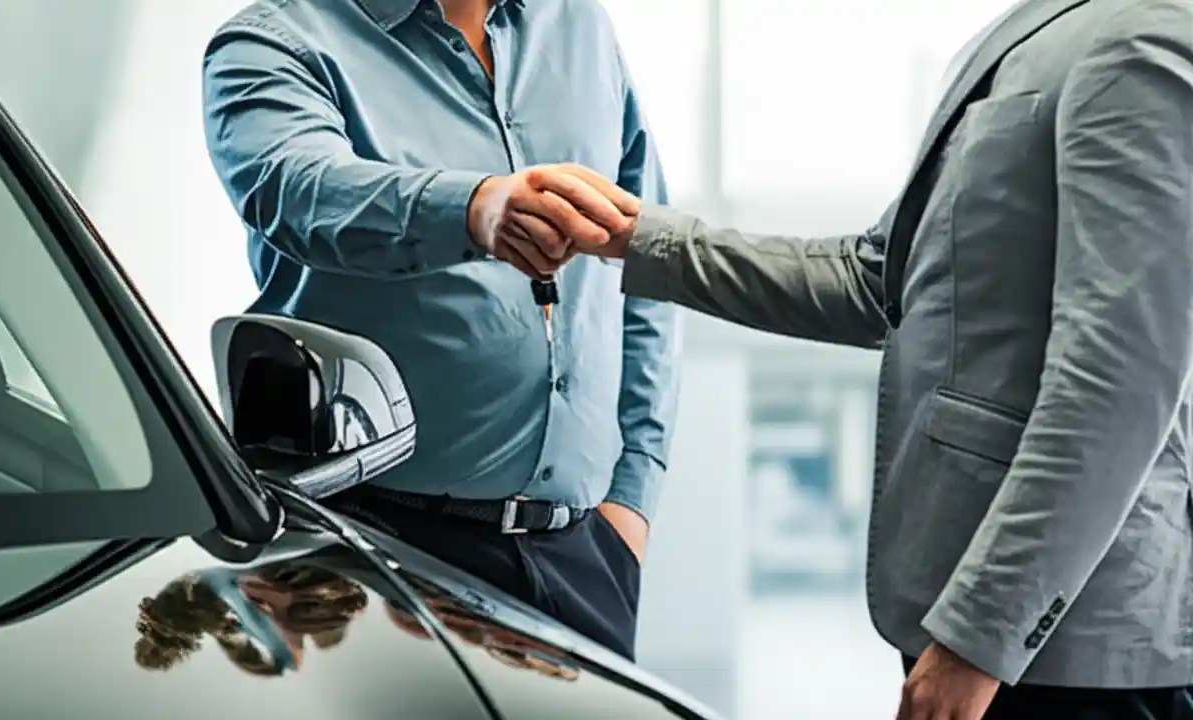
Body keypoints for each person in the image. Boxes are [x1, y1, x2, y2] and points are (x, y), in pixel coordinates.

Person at [533, 0, 1193, 717]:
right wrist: (642, 237)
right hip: (987, 632)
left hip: (1066, 656)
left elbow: (1118, 383)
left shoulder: (1141, 40)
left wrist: (981, 638)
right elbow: (879, 277)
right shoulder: (1034, 32)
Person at [201, 0, 680, 661]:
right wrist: (475, 207)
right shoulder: (272, 42)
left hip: (585, 561)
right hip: (372, 556)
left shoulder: (578, 24)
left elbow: (645, 265)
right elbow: (297, 190)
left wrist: (631, 500)